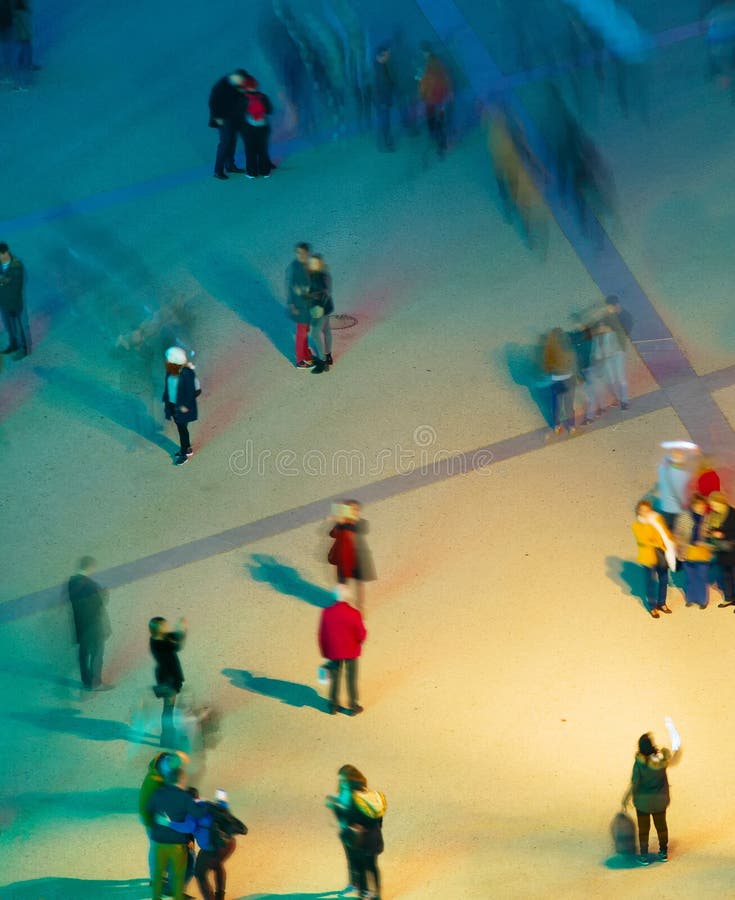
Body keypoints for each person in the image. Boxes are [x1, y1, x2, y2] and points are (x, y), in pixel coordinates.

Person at [156, 788, 248, 900]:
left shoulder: (192, 811)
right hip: (229, 843)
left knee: (200, 874)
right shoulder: (208, 804)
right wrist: (222, 795)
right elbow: (223, 805)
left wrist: (167, 822)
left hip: (213, 848)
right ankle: (220, 896)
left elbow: (188, 827)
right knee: (217, 865)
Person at [622, 726, 682, 865]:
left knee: (644, 829)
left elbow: (635, 782)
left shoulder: (640, 763)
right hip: (660, 801)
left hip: (643, 802)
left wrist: (626, 798)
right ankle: (663, 852)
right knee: (661, 827)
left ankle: (644, 856)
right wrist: (677, 750)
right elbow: (672, 760)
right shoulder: (660, 761)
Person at [326, 764, 386, 900]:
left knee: (360, 865)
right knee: (371, 865)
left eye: (343, 780)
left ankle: (362, 892)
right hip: (374, 836)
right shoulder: (368, 795)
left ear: (350, 780)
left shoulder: (353, 798)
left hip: (358, 839)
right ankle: (376, 894)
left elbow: (349, 817)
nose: (341, 783)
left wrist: (334, 806)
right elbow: (378, 817)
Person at [147, 761, 202, 900]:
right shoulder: (186, 802)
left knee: (161, 868)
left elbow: (149, 811)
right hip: (178, 844)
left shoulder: (160, 794)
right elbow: (190, 826)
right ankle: (174, 892)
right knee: (184, 871)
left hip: (159, 840)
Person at [139, 751, 191, 896]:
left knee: (157, 849)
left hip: (161, 820)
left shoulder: (162, 771)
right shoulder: (153, 780)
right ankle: (157, 879)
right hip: (155, 821)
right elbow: (145, 805)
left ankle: (158, 878)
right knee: (157, 849)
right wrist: (151, 824)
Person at [318, 586, 367, 715]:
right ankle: (353, 705)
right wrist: (358, 642)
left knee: (334, 677)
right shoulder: (354, 613)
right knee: (351, 678)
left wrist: (325, 651)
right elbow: (361, 634)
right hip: (351, 650)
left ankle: (334, 705)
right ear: (348, 597)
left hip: (334, 651)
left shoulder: (327, 612)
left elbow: (322, 634)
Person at [67, 556, 112, 691]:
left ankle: (86, 681)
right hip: (94, 625)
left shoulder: (72, 582)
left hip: (81, 624)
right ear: (90, 567)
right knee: (97, 653)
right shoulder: (90, 585)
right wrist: (104, 595)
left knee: (84, 653)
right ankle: (96, 683)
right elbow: (97, 605)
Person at [328, 500, 375, 612]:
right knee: (343, 583)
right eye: (349, 509)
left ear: (358, 512)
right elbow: (332, 534)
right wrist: (339, 522)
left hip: (359, 557)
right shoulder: (341, 523)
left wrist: (347, 522)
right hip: (343, 557)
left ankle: (360, 606)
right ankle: (343, 606)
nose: (352, 511)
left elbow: (363, 530)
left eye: (354, 509)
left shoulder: (361, 523)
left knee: (359, 583)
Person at [632, 499, 675, 618]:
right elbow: (643, 540)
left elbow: (665, 532)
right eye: (642, 510)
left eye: (647, 510)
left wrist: (670, 541)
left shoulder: (657, 519)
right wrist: (656, 542)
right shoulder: (637, 525)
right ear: (638, 511)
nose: (645, 513)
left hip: (661, 553)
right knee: (650, 582)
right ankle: (652, 606)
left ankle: (662, 603)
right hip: (648, 557)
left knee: (664, 579)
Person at [150, 616, 187, 747]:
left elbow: (173, 637)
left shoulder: (156, 639)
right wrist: (182, 629)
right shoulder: (162, 644)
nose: (167, 627)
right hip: (168, 680)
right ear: (160, 629)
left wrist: (178, 632)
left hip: (165, 677)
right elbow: (176, 645)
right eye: (165, 626)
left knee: (168, 709)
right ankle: (166, 738)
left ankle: (168, 734)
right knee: (168, 710)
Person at [162, 346, 201, 465]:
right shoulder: (171, 372)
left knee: (182, 429)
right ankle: (186, 448)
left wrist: (185, 404)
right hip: (173, 405)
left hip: (182, 408)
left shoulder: (187, 375)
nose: (167, 362)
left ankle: (185, 452)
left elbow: (197, 390)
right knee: (181, 428)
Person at [208, 68, 249, 180]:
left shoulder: (235, 85)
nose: (242, 83)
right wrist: (216, 117)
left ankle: (230, 166)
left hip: (233, 118)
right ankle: (218, 170)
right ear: (236, 77)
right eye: (241, 80)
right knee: (225, 144)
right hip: (224, 119)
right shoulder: (221, 86)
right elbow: (213, 102)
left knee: (232, 142)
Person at [675, 493, 713, 608]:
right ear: (694, 506)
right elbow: (678, 533)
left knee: (701, 576)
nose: (702, 509)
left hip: (702, 551)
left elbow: (709, 533)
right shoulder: (684, 517)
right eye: (700, 506)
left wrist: (708, 535)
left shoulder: (707, 517)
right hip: (687, 551)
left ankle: (702, 600)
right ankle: (690, 598)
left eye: (703, 507)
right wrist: (680, 547)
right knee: (690, 577)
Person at [417, 42, 451, 156]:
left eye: (423, 52)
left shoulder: (430, 66)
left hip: (431, 99)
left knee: (432, 121)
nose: (423, 55)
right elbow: (446, 78)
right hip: (440, 98)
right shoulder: (438, 62)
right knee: (440, 122)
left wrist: (420, 83)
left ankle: (438, 144)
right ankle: (442, 145)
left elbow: (426, 84)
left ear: (426, 52)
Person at [542, 327, 576, 435]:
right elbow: (573, 362)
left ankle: (557, 426)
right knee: (569, 405)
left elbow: (547, 366)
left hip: (556, 380)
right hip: (569, 379)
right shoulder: (568, 347)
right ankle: (571, 427)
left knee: (557, 405)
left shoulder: (549, 350)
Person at [286, 242, 313, 368]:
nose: (300, 255)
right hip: (300, 305)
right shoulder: (295, 268)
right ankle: (300, 360)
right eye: (298, 252)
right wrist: (292, 305)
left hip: (308, 304)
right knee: (301, 331)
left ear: (307, 253)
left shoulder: (308, 265)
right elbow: (291, 287)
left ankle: (306, 353)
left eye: (302, 253)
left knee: (306, 330)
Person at [0, 241, 29, 359]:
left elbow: (16, 288)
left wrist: (2, 280)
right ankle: (14, 344)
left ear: (5, 253)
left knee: (19, 325)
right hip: (3, 302)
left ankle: (24, 348)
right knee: (9, 326)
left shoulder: (16, 265)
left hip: (14, 303)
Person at [707, 491, 735, 610]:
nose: (713, 507)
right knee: (726, 575)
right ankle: (729, 598)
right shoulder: (714, 515)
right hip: (722, 549)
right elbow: (711, 528)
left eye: (715, 505)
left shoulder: (733, 513)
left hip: (732, 550)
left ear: (721, 502)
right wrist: (711, 532)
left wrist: (722, 534)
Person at [242, 76, 273, 179]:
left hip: (249, 128)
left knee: (250, 150)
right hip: (263, 127)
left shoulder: (243, 98)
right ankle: (265, 171)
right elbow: (269, 111)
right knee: (263, 150)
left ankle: (251, 172)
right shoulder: (263, 97)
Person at [307, 253, 334, 374]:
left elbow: (327, 292)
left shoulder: (324, 276)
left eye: (315, 263)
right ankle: (328, 356)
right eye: (311, 263)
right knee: (326, 330)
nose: (312, 265)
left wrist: (316, 300)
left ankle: (323, 362)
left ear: (319, 264)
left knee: (314, 334)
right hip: (320, 307)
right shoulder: (311, 274)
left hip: (321, 308)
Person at [656, 447, 693, 530]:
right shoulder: (684, 474)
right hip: (675, 505)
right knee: (672, 525)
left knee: (668, 525)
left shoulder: (665, 470)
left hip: (669, 505)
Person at [373, 45, 396, 151]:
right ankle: (386, 144)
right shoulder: (379, 69)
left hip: (383, 100)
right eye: (387, 54)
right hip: (382, 100)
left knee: (385, 121)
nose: (389, 56)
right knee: (384, 122)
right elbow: (382, 86)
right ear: (382, 55)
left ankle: (385, 143)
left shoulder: (381, 65)